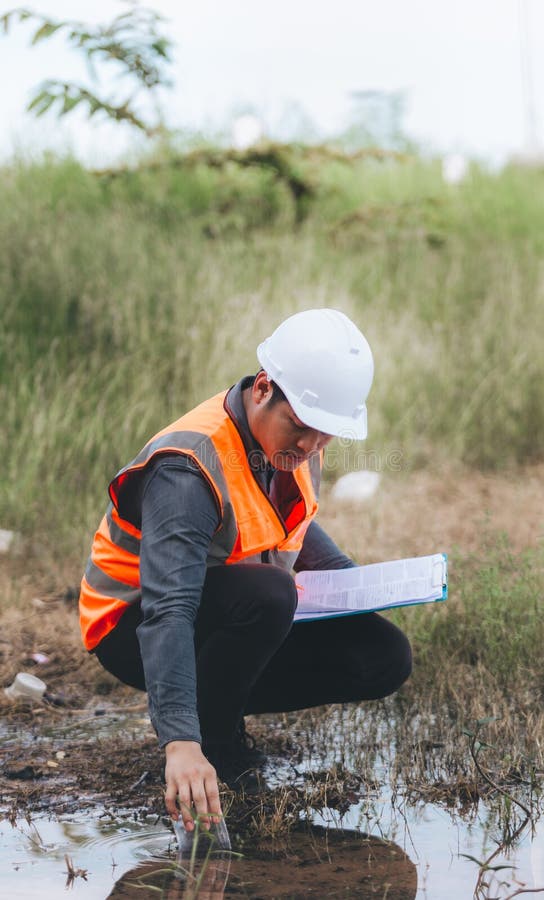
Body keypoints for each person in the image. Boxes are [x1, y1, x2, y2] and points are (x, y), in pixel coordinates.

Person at [78, 308, 412, 834]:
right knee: (270, 595)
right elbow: (169, 608)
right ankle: (212, 745)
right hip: (132, 626)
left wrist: (356, 589)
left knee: (384, 656)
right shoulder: (188, 468)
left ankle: (216, 710)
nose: (309, 448)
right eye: (300, 428)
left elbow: (289, 523)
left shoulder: (298, 444)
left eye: (324, 437)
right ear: (262, 388)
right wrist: (180, 742)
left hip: (222, 608)